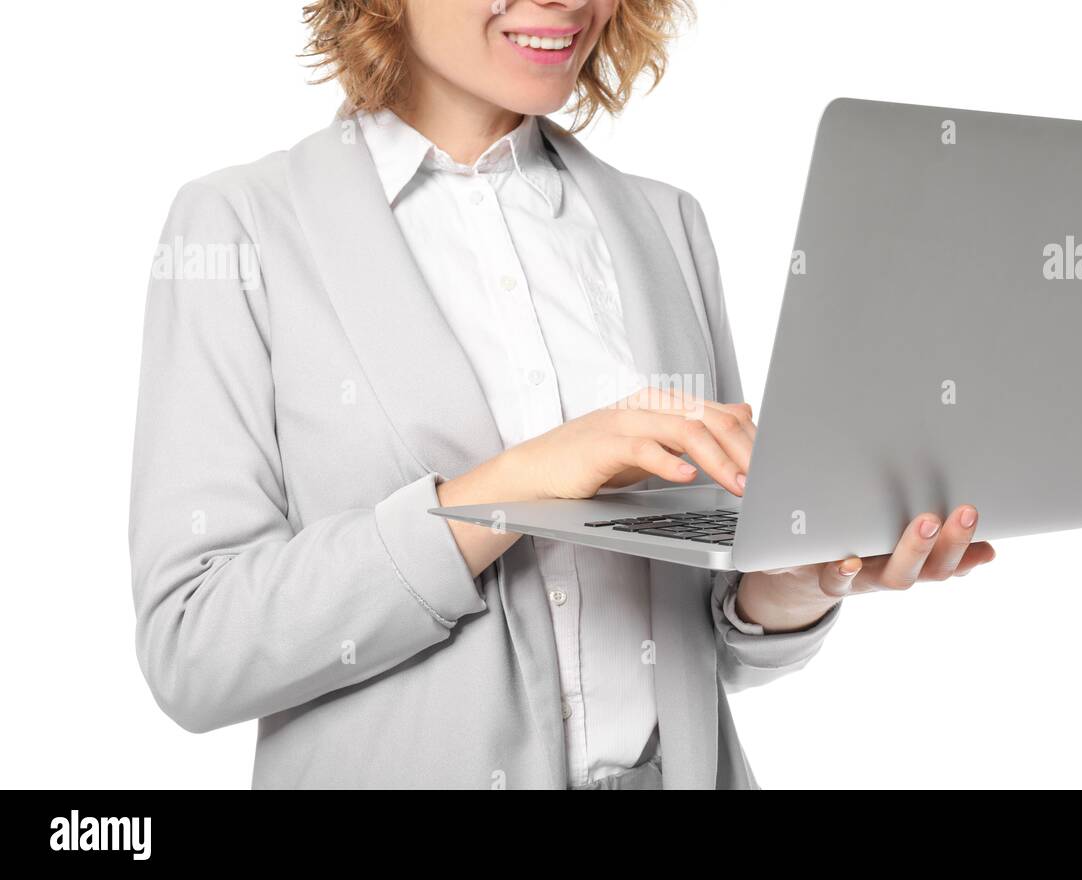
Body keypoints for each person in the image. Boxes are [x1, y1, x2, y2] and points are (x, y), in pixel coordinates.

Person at [129, 0, 996, 790]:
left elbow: (708, 644)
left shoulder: (666, 225)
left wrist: (796, 582)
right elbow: (193, 649)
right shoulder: (240, 229)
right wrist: (521, 483)